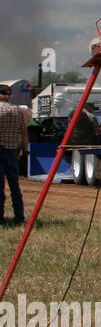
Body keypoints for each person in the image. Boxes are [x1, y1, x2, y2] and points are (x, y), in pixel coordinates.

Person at [0, 83, 29, 229]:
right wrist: (25, 151)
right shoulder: (18, 111)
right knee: (14, 187)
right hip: (12, 152)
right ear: (10, 96)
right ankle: (19, 216)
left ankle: (1, 219)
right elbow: (24, 133)